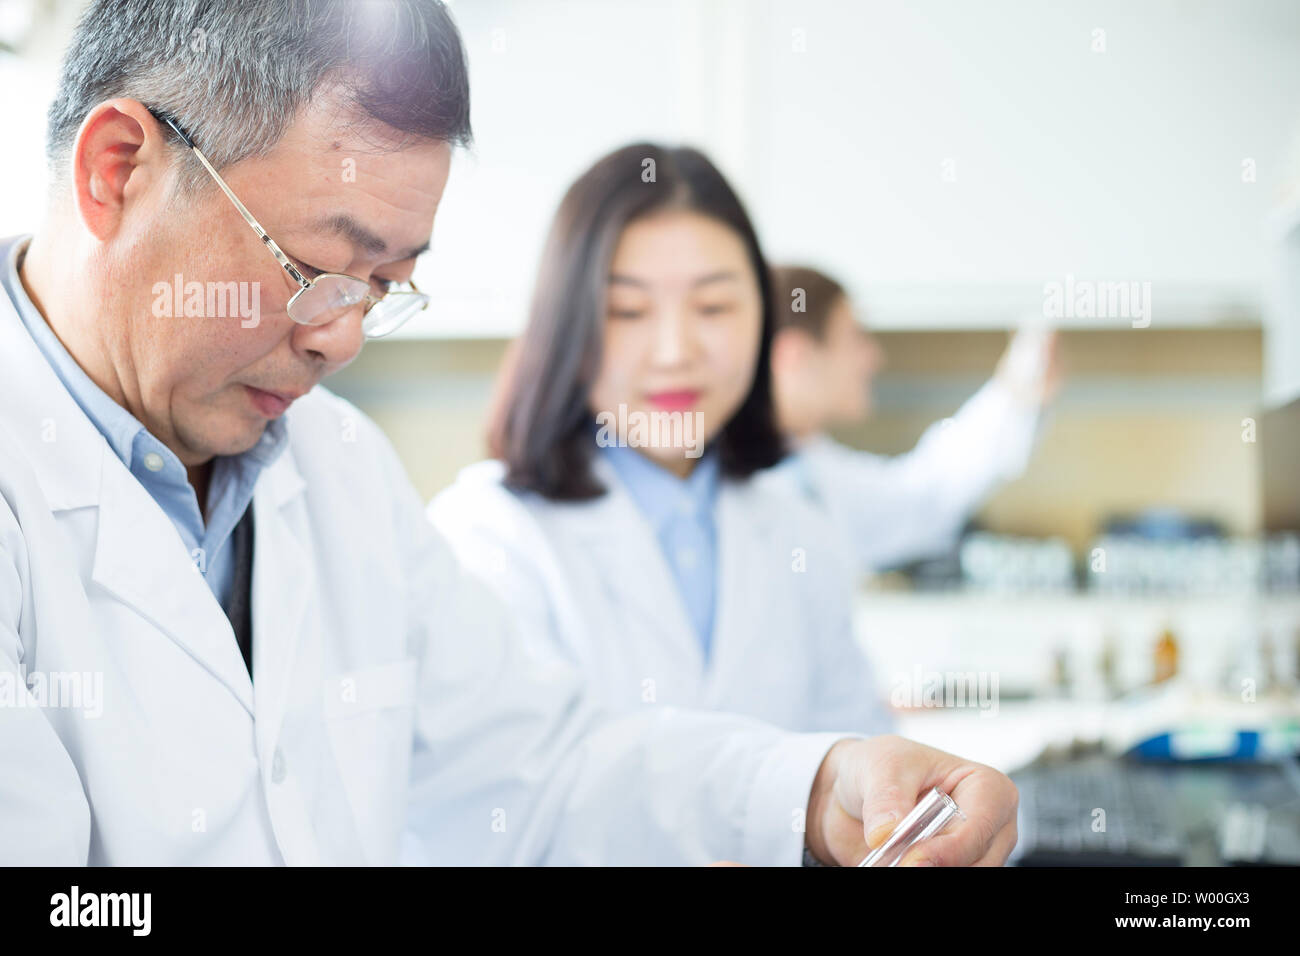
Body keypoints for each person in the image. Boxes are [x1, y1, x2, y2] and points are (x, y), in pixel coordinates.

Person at [0, 0, 1018, 867]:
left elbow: (541, 765)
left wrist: (817, 786)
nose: (343, 335)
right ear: (117, 168)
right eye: (317, 265)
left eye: (387, 284)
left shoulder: (339, 467)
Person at [430, 144, 893, 735]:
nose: (675, 352)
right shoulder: (489, 539)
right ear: (566, 325)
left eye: (714, 306)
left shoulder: (802, 536)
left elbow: (859, 762)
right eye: (627, 310)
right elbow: (509, 798)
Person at [765, 265, 1060, 576]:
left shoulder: (812, 471)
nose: (874, 357)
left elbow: (922, 498)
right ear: (794, 355)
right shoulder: (733, 475)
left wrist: (1015, 394)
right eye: (856, 338)